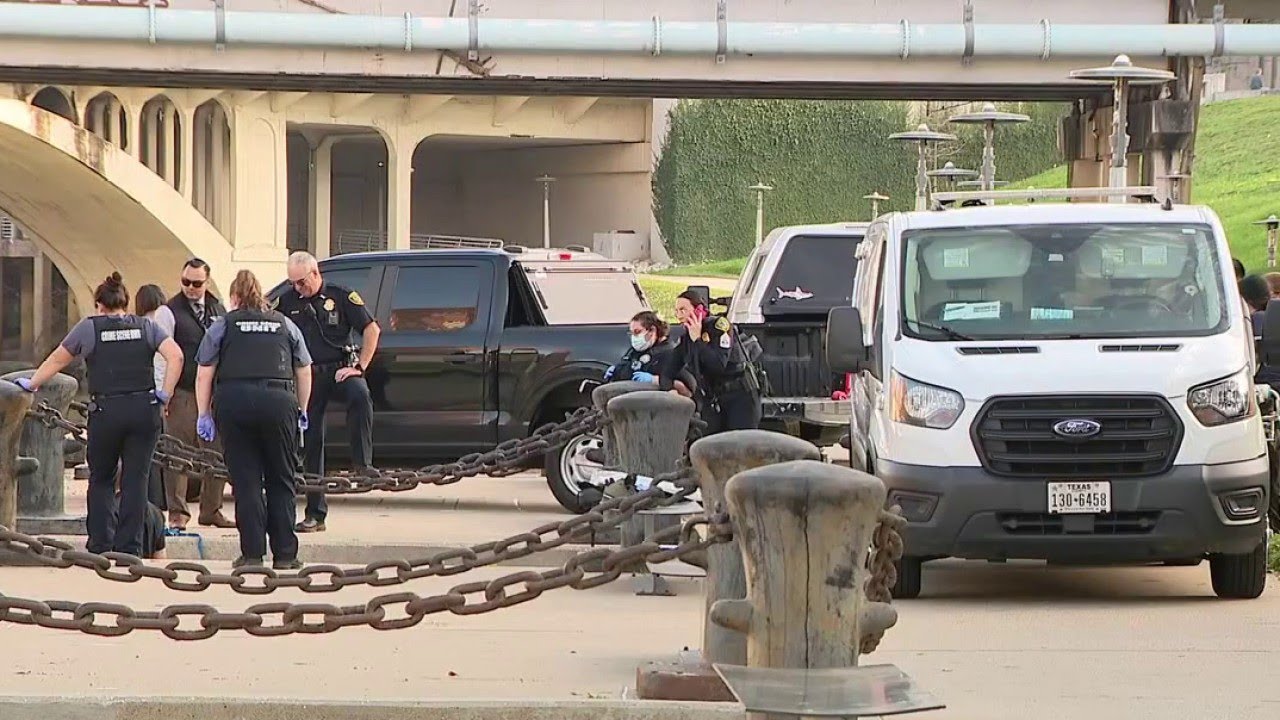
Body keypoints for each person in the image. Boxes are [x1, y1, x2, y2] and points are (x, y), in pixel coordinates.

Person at [12, 273, 182, 556]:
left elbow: (58, 358)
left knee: (101, 478)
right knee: (135, 480)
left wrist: (32, 383)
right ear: (125, 304)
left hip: (107, 410)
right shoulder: (146, 327)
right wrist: (165, 394)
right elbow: (175, 356)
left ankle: (101, 544)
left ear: (99, 305)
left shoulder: (89, 329)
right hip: (143, 409)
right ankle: (130, 547)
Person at [194, 269, 313, 569]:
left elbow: (204, 371)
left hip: (234, 402)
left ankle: (252, 554)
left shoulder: (223, 324)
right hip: (278, 400)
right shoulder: (284, 324)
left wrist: (203, 413)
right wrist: (303, 408)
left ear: (235, 297)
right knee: (281, 479)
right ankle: (285, 554)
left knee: (246, 482)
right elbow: (304, 369)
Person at [272, 251, 380, 534]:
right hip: (310, 375)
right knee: (312, 439)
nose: (298, 288)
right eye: (293, 283)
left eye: (302, 282)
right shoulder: (288, 301)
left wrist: (360, 366)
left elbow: (371, 329)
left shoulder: (341, 295)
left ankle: (362, 463)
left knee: (360, 395)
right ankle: (315, 514)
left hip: (340, 369)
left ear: (316, 273)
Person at [154, 258, 233, 530]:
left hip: (214, 392)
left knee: (216, 452)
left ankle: (212, 509)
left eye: (196, 283)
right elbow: (161, 356)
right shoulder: (169, 312)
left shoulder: (219, 309)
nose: (190, 287)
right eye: (185, 282)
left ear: (207, 282)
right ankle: (178, 512)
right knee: (178, 453)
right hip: (183, 390)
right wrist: (164, 393)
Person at [669, 290, 761, 434]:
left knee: (739, 448)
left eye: (683, 310)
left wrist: (698, 340)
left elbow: (717, 364)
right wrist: (670, 389)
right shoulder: (686, 339)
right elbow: (668, 370)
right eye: (676, 311)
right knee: (710, 447)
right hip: (713, 398)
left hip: (739, 397)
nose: (679, 315)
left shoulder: (720, 326)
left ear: (699, 310)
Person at [134, 283, 171, 511]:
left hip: (146, 391)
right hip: (163, 389)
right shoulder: (163, 321)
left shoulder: (141, 326)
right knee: (163, 449)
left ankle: (152, 498)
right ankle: (162, 499)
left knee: (148, 451)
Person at [605, 311, 695, 398]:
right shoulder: (636, 352)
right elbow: (630, 371)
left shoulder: (670, 354)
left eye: (637, 332)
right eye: (631, 333)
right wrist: (616, 371)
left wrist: (654, 380)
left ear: (652, 330)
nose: (634, 338)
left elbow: (688, 391)